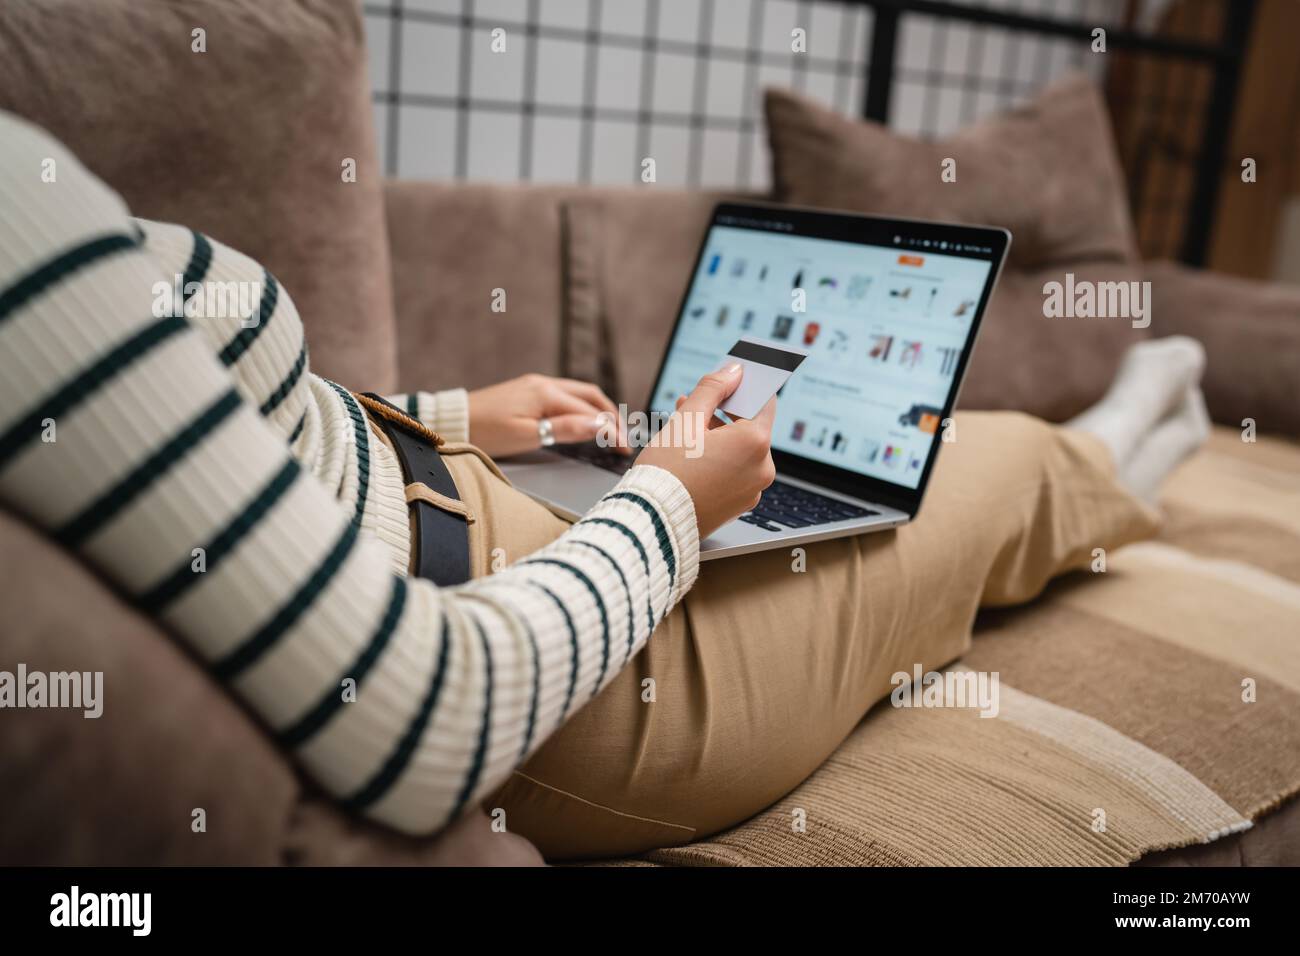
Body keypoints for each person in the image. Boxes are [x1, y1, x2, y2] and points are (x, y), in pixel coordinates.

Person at [0, 112, 1209, 862]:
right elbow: (424, 715)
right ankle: (1127, 445)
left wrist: (451, 417)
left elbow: (216, 433)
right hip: (548, 667)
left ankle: (1114, 456)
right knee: (979, 459)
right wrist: (673, 505)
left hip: (470, 497)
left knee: (863, 475)